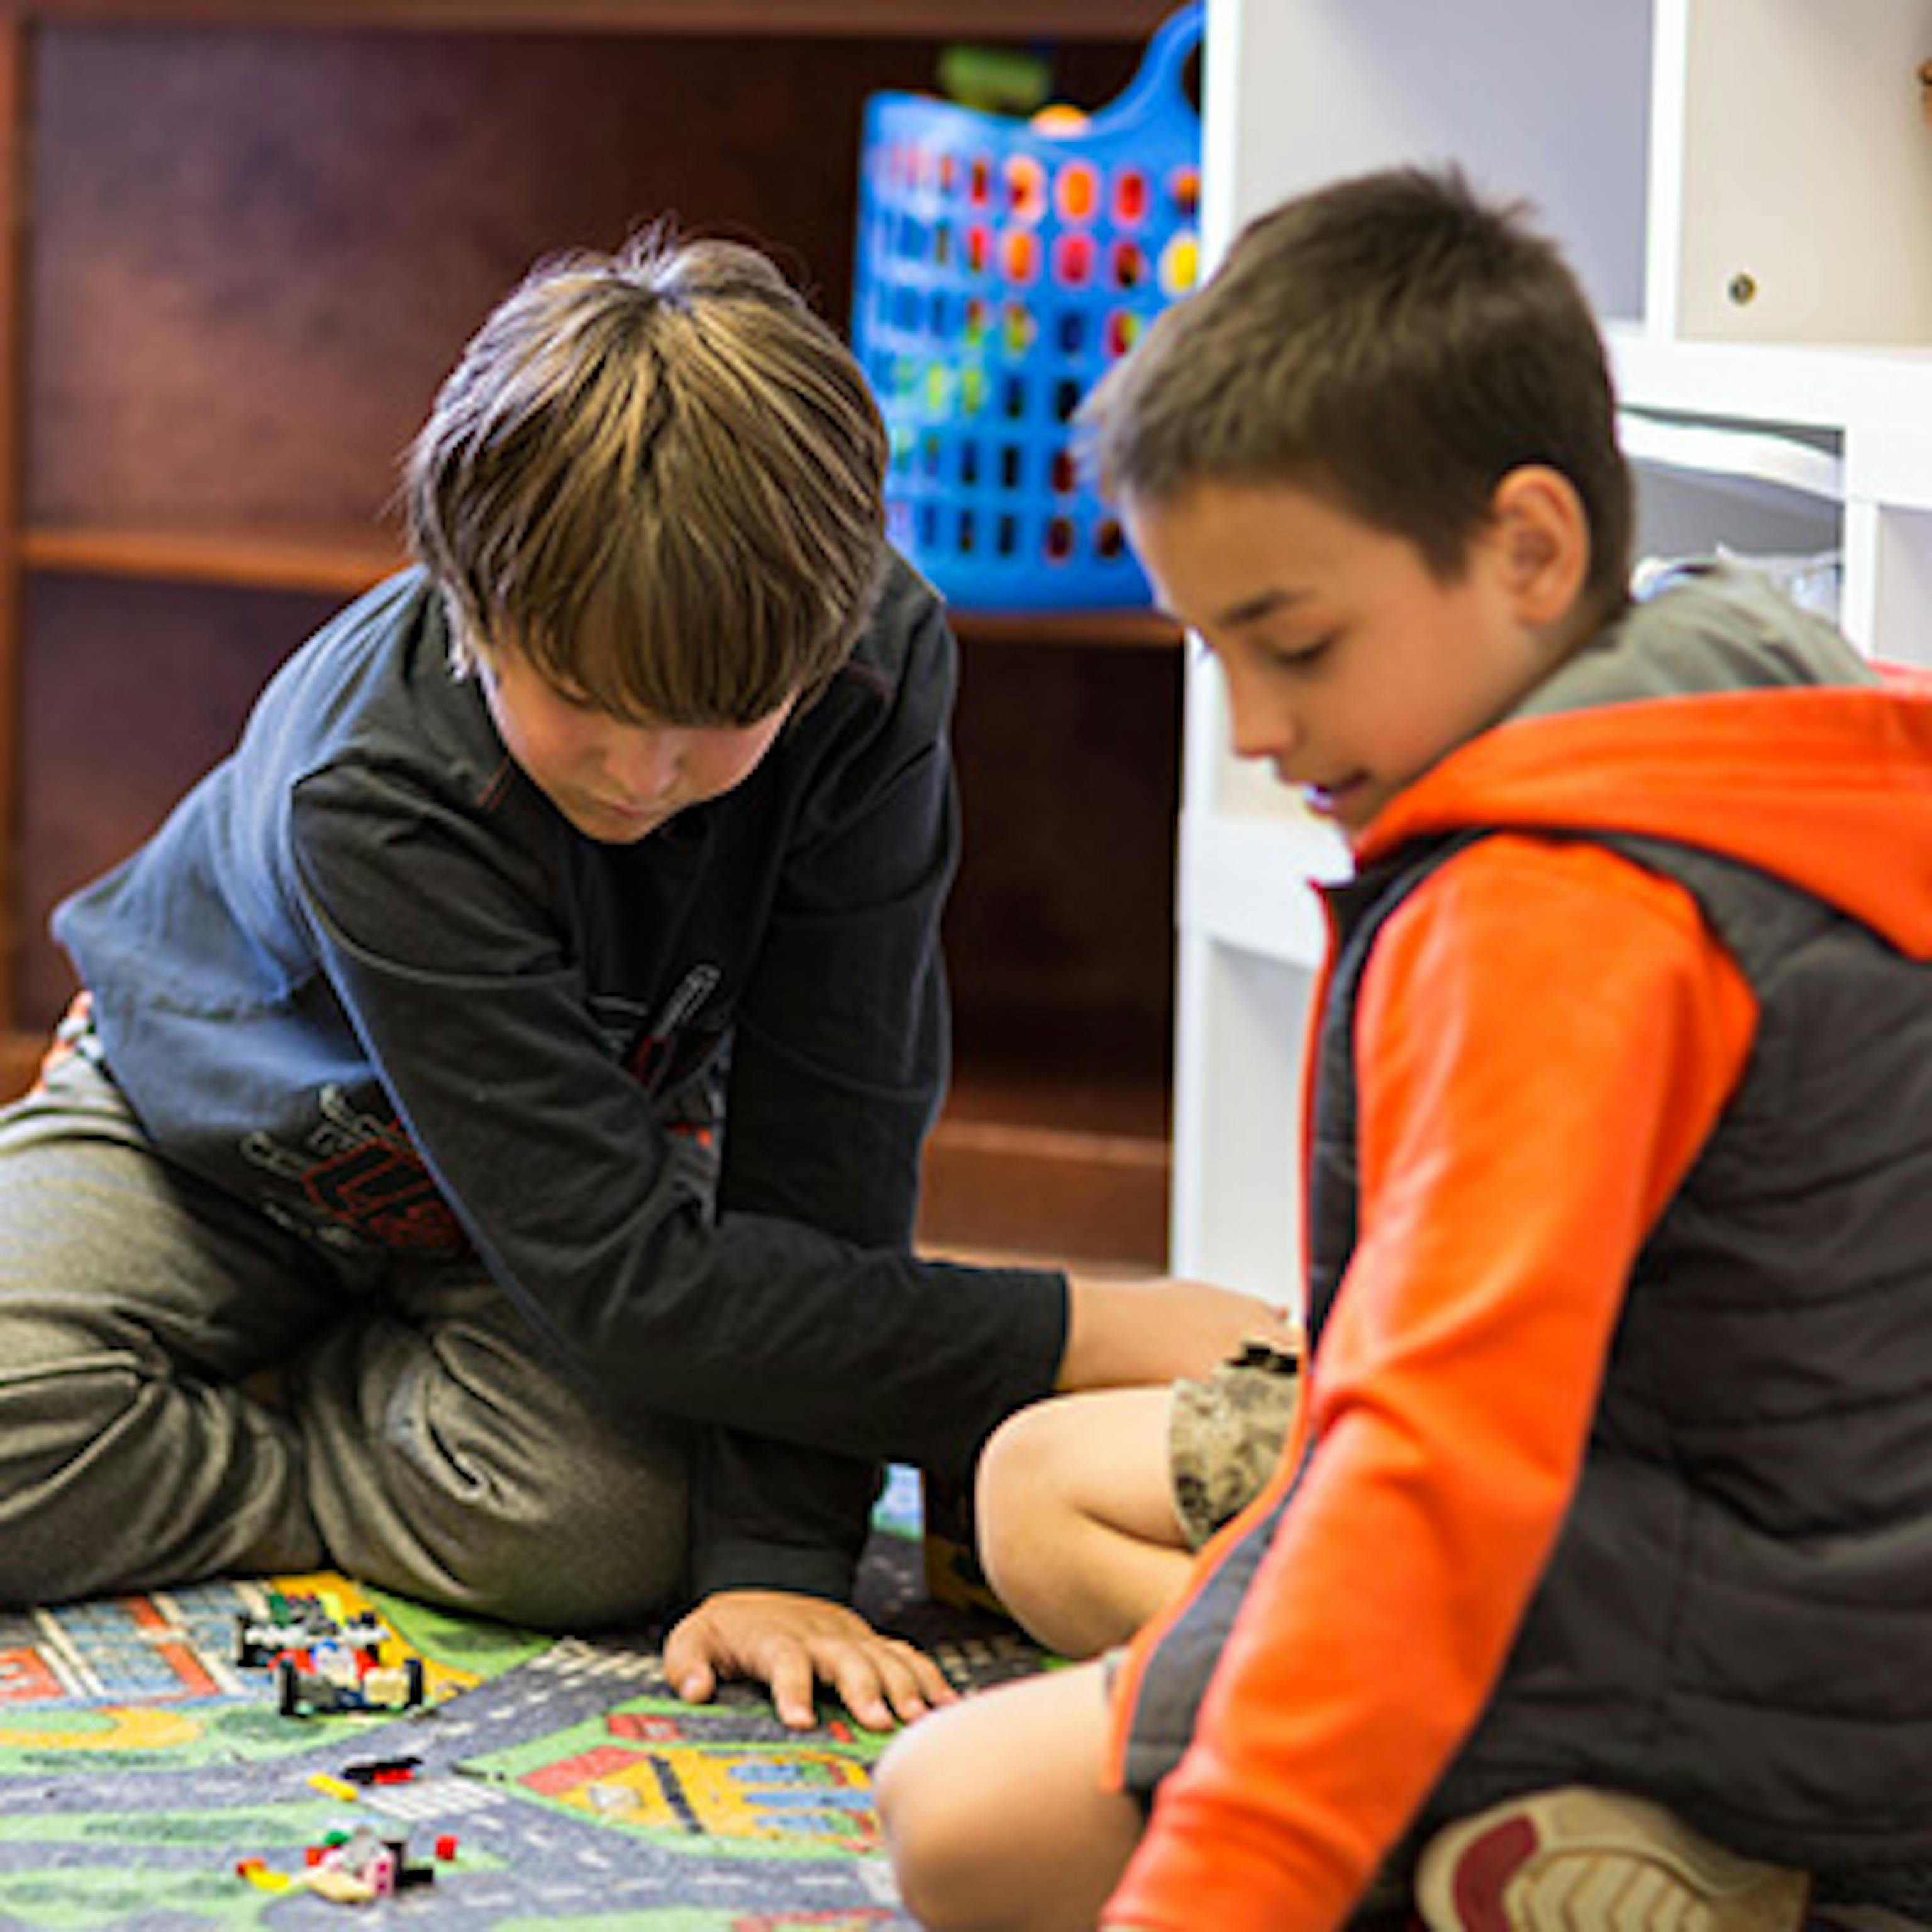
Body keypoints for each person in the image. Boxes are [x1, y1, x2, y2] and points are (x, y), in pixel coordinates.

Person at [0, 227, 1290, 1731]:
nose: (647, 773)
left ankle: (313, 1392)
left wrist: (780, 1556)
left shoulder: (876, 669)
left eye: (726, 719)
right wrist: (1091, 1325)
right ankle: (301, 1408)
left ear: (815, 663)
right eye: (591, 704)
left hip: (572, 1196)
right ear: (470, 609)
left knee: (596, 1529)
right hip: (218, 1145)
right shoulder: (375, 782)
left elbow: (833, 1125)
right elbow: (632, 1296)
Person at [873, 164, 1932, 1929]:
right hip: (1786, 1564)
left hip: (1706, 1628)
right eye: (1212, 652)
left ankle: (1619, 1835)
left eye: (1294, 644)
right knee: (1029, 1490)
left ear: (1529, 544)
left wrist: (1237, 1867)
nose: (1259, 727)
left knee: (951, 1820)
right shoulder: (1761, 703)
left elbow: (1437, 1473)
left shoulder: (1552, 904)